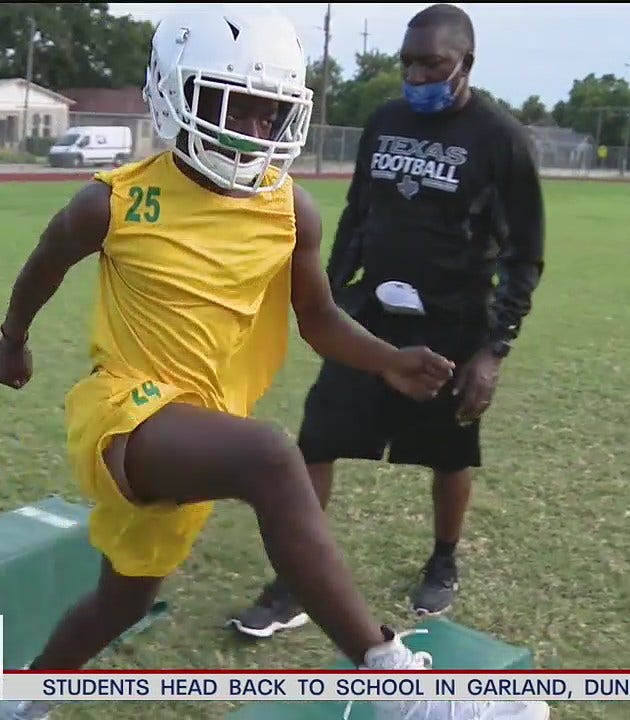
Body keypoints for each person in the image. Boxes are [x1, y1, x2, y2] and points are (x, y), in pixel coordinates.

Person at [0, 7, 549, 720]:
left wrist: (387, 360)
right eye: (233, 106)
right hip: (122, 413)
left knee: (122, 601)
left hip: (203, 428)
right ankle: (396, 685)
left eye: (269, 112)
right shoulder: (114, 200)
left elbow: (318, 318)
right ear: (174, 92)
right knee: (273, 457)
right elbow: (44, 262)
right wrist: (13, 339)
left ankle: (23, 696)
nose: (253, 130)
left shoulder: (290, 212)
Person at [231, 2, 546, 637]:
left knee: (448, 453)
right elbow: (358, 214)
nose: (416, 76)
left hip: (452, 323)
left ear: (466, 63)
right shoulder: (384, 120)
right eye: (408, 63)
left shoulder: (501, 139)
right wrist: (330, 295)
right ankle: (297, 579)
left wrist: (495, 349)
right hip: (371, 317)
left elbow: (525, 251)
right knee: (318, 439)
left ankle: (443, 559)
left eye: (432, 63)